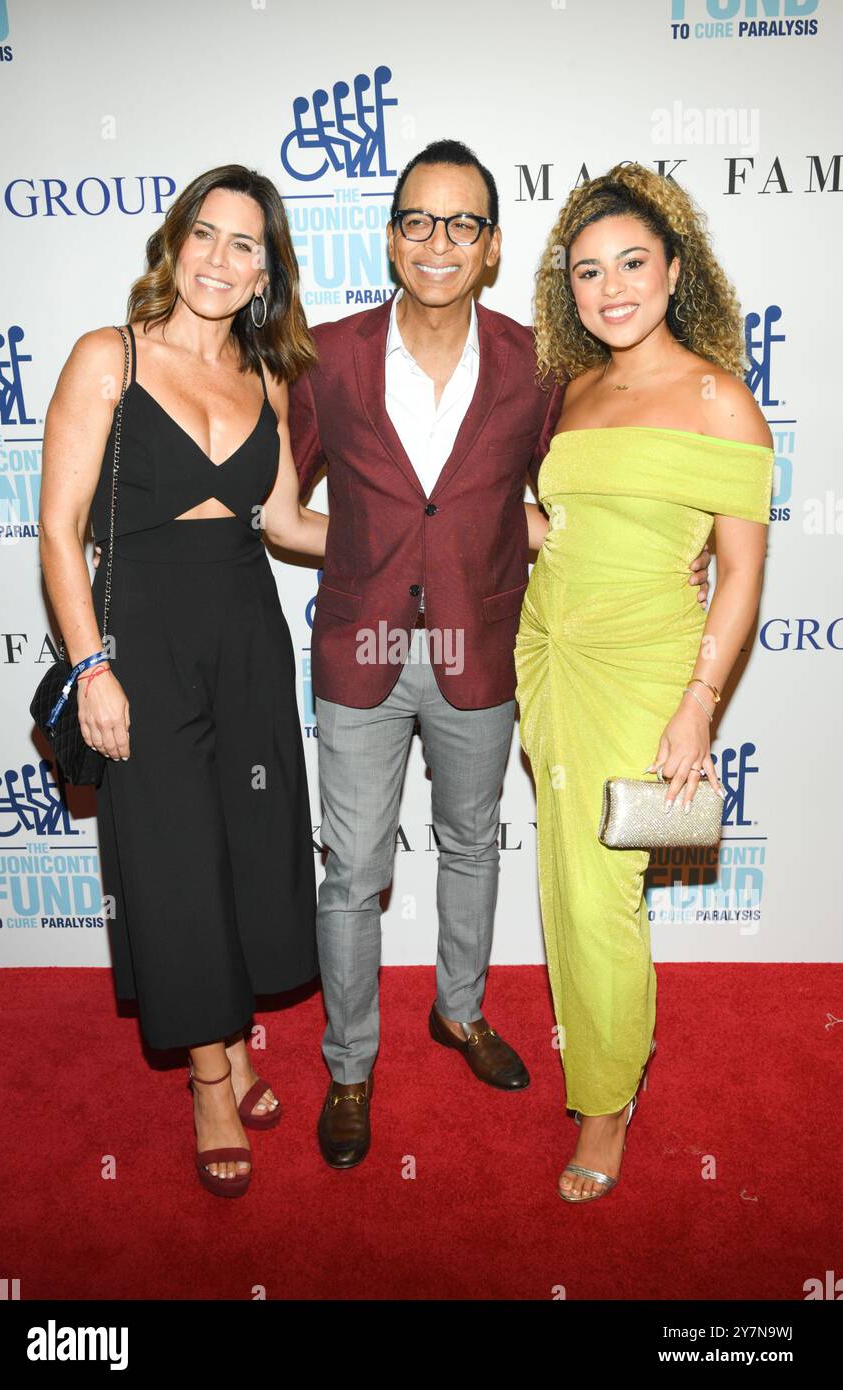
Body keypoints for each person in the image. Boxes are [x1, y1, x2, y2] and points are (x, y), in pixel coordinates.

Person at [289, 140, 713, 1170]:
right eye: (419, 222)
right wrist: (364, 551)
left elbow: (561, 499)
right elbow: (277, 510)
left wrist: (655, 554)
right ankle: (349, 1067)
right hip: (362, 648)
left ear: (488, 247)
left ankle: (461, 1011)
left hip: (483, 647)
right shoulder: (329, 354)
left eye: (463, 224)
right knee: (351, 871)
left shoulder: (536, 365)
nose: (439, 243)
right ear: (392, 237)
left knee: (472, 843)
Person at [38, 165, 327, 1198]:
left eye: (245, 244)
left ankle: (236, 1041)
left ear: (265, 271)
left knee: (247, 848)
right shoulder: (106, 358)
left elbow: (288, 523)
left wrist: (432, 547)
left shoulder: (267, 379)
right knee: (168, 860)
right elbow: (60, 536)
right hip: (140, 635)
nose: (220, 258)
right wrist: (93, 667)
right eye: (206, 234)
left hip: (247, 628)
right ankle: (211, 1077)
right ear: (174, 243)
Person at [514, 162, 774, 1203]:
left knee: (600, 893)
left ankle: (607, 1101)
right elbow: (556, 523)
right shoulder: (571, 388)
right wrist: (520, 524)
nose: (608, 287)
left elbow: (742, 575)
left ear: (673, 270)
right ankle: (602, 1062)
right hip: (549, 649)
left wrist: (696, 704)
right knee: (569, 883)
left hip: (645, 663)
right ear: (564, 288)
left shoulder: (719, 400)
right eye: (585, 271)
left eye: (629, 262)